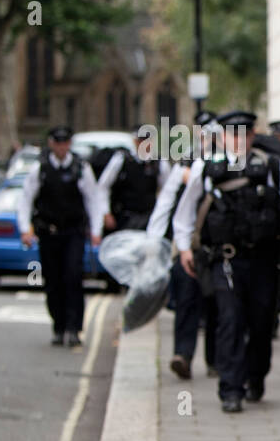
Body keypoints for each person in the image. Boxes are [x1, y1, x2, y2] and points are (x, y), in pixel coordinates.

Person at [174, 110, 280, 412]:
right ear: (222, 136)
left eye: (245, 134)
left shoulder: (271, 165)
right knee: (230, 321)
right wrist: (184, 248)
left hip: (264, 259)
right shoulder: (205, 167)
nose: (239, 140)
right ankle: (230, 388)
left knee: (261, 324)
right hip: (226, 259)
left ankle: (255, 376)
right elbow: (185, 211)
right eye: (233, 134)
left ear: (253, 135)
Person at [17, 126, 102, 346]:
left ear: (69, 144)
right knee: (53, 280)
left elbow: (93, 200)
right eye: (58, 142)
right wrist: (25, 228)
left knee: (73, 277)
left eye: (66, 143)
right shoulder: (41, 169)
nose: (62, 147)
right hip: (49, 232)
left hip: (73, 232)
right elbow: (25, 199)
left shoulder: (81, 168)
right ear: (52, 144)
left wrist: (96, 231)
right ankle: (59, 325)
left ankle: (74, 328)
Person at [148, 127, 217, 380]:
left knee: (217, 306)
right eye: (203, 135)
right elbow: (165, 204)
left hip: (219, 249)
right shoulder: (184, 166)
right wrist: (154, 244)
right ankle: (183, 356)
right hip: (188, 246)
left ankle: (215, 360)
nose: (207, 140)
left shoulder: (231, 165)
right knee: (187, 301)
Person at [97, 130, 169, 233]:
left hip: (149, 217)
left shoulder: (158, 163)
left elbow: (168, 190)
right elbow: (103, 186)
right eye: (140, 141)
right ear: (135, 141)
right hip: (124, 217)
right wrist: (106, 212)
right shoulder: (122, 159)